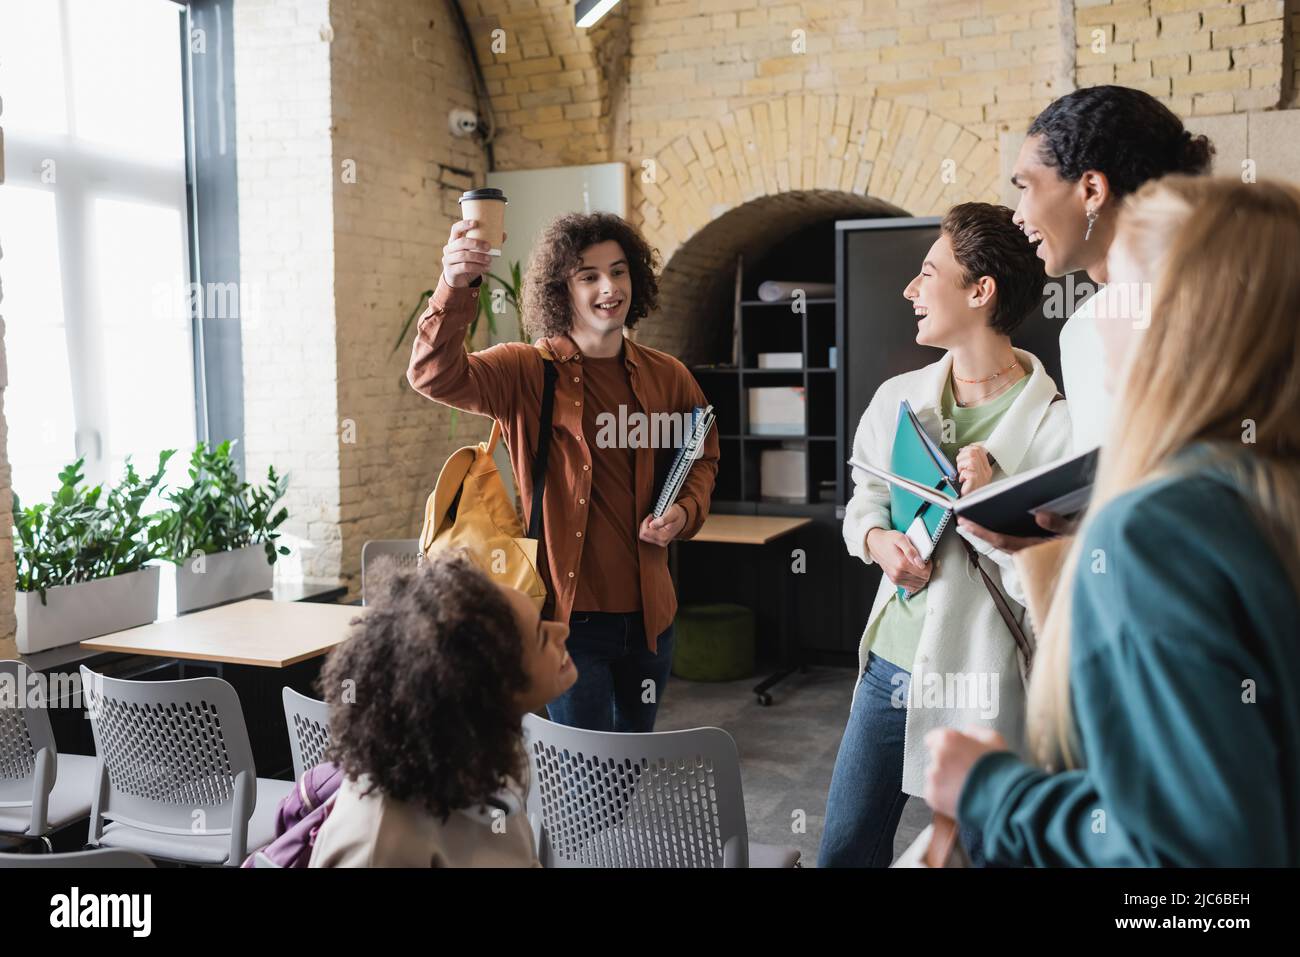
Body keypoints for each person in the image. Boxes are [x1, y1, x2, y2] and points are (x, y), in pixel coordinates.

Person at [925, 178, 1300, 866]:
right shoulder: (1268, 491)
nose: (1100, 315)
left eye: (1119, 289)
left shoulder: (1157, 527)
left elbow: (1199, 869)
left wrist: (993, 791)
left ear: (1182, 316)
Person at [820, 203, 1070, 868]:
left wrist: (992, 499)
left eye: (929, 272)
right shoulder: (899, 399)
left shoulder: (1059, 430)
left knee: (986, 855)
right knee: (845, 848)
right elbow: (864, 502)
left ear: (980, 291)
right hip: (893, 667)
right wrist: (877, 542)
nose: (911, 289)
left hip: (988, 680)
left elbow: (1054, 585)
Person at [407, 212, 719, 732]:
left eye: (619, 272)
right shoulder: (525, 371)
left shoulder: (669, 377)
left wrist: (685, 512)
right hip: (567, 627)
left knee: (625, 774)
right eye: (588, 276)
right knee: (585, 784)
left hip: (651, 623)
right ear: (561, 289)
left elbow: (702, 456)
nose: (609, 288)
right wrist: (455, 285)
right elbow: (433, 374)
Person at [310, 552, 575, 867]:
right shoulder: (381, 844)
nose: (563, 631)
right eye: (542, 636)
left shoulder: (485, 758)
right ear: (486, 684)